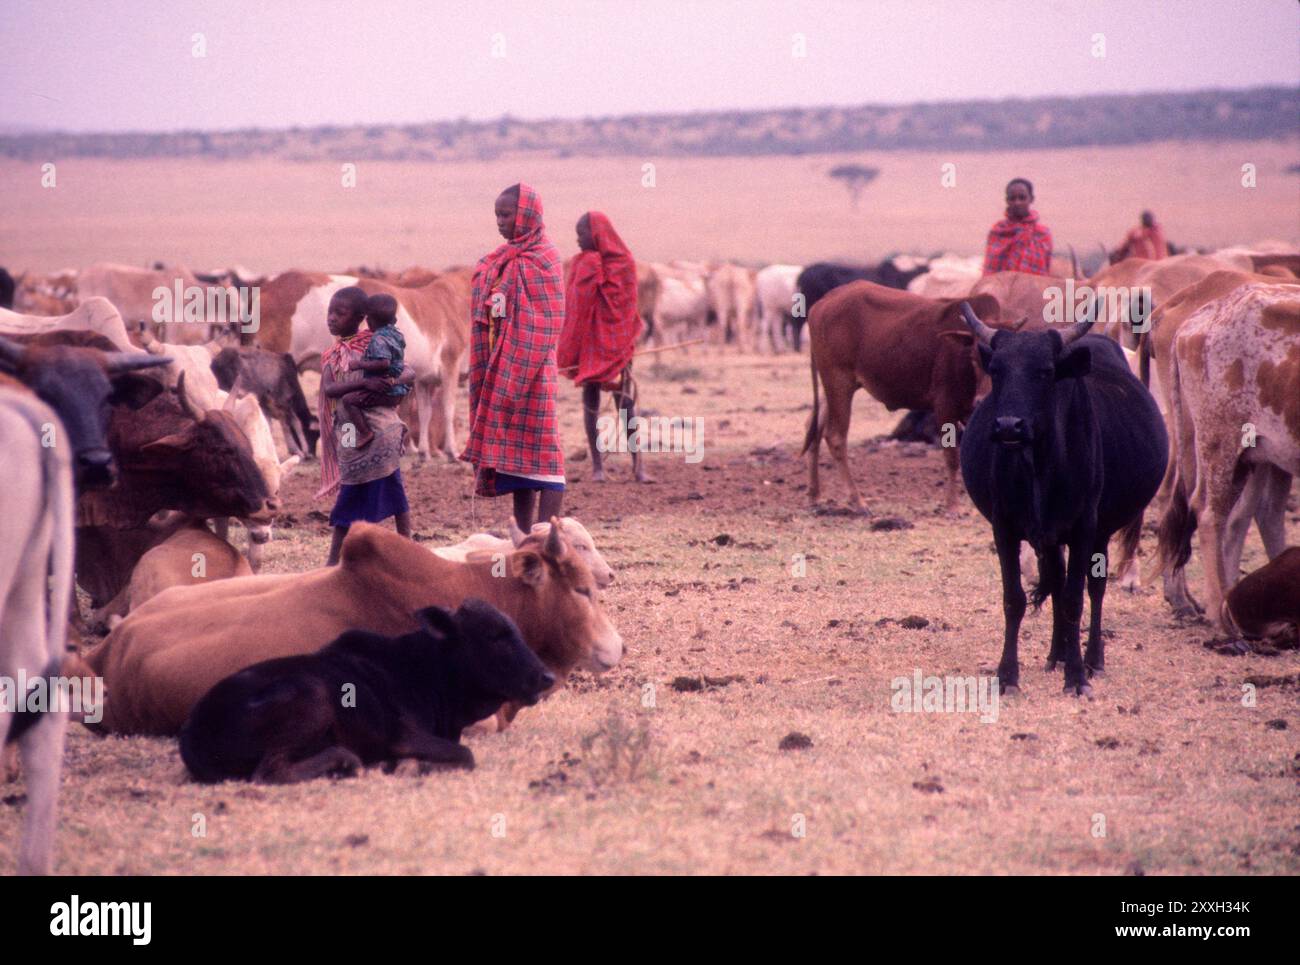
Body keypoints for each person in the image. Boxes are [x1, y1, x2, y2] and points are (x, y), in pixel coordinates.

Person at [460, 182, 567, 532]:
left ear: (525, 216)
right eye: (497, 215)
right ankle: (523, 537)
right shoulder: (501, 259)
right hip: (500, 366)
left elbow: (548, 318)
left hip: (533, 370)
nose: (500, 222)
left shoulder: (544, 259)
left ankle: (547, 533)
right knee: (517, 464)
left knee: (546, 455)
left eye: (506, 215)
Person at [316, 286, 414, 565]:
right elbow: (331, 390)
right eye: (330, 313)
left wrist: (391, 382)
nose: (332, 318)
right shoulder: (332, 355)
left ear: (361, 317)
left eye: (340, 313)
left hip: (382, 426)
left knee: (389, 484)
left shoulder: (375, 344)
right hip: (347, 429)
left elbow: (409, 372)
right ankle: (337, 559)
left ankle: (403, 549)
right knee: (351, 480)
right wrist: (364, 382)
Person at [558, 211, 650, 483]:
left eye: (581, 235)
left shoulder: (624, 263)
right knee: (590, 399)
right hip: (590, 342)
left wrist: (620, 341)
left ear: (596, 234)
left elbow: (627, 306)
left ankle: (638, 466)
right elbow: (577, 304)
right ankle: (597, 466)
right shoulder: (584, 263)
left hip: (619, 343)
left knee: (626, 401)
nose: (578, 241)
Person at [335, 292, 408, 450]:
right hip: (397, 390)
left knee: (348, 401)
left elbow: (383, 363)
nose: (332, 319)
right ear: (394, 320)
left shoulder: (377, 340)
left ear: (367, 320)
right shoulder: (397, 335)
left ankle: (366, 432)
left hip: (384, 390)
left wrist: (360, 365)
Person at [982, 177, 1053, 276]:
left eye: (1022, 198)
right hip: (1001, 289)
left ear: (1031, 199)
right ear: (1007, 200)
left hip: (1033, 289)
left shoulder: (1042, 234)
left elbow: (1045, 270)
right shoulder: (998, 231)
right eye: (1012, 198)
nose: (1017, 202)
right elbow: (989, 273)